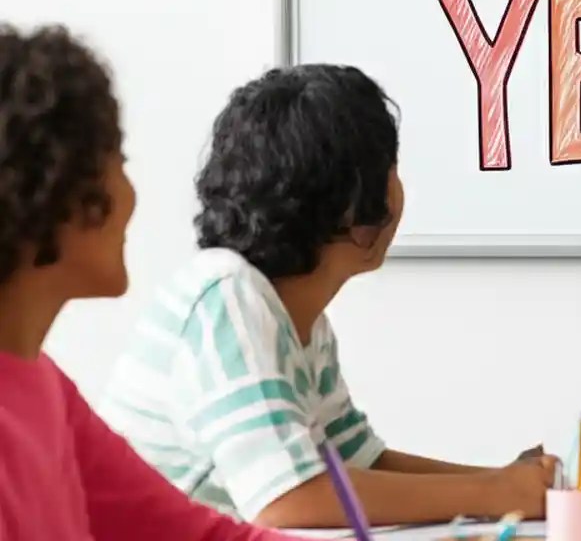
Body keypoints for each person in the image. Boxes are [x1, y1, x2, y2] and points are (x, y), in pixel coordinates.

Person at [99, 64, 557, 528]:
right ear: (360, 203)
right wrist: (494, 493)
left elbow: (354, 464)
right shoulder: (228, 300)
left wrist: (504, 482)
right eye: (392, 171)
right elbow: (290, 497)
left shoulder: (297, 320)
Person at [0, 23, 307, 539]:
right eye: (118, 162)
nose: (130, 193)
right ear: (51, 185)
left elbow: (202, 536)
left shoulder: (46, 388)